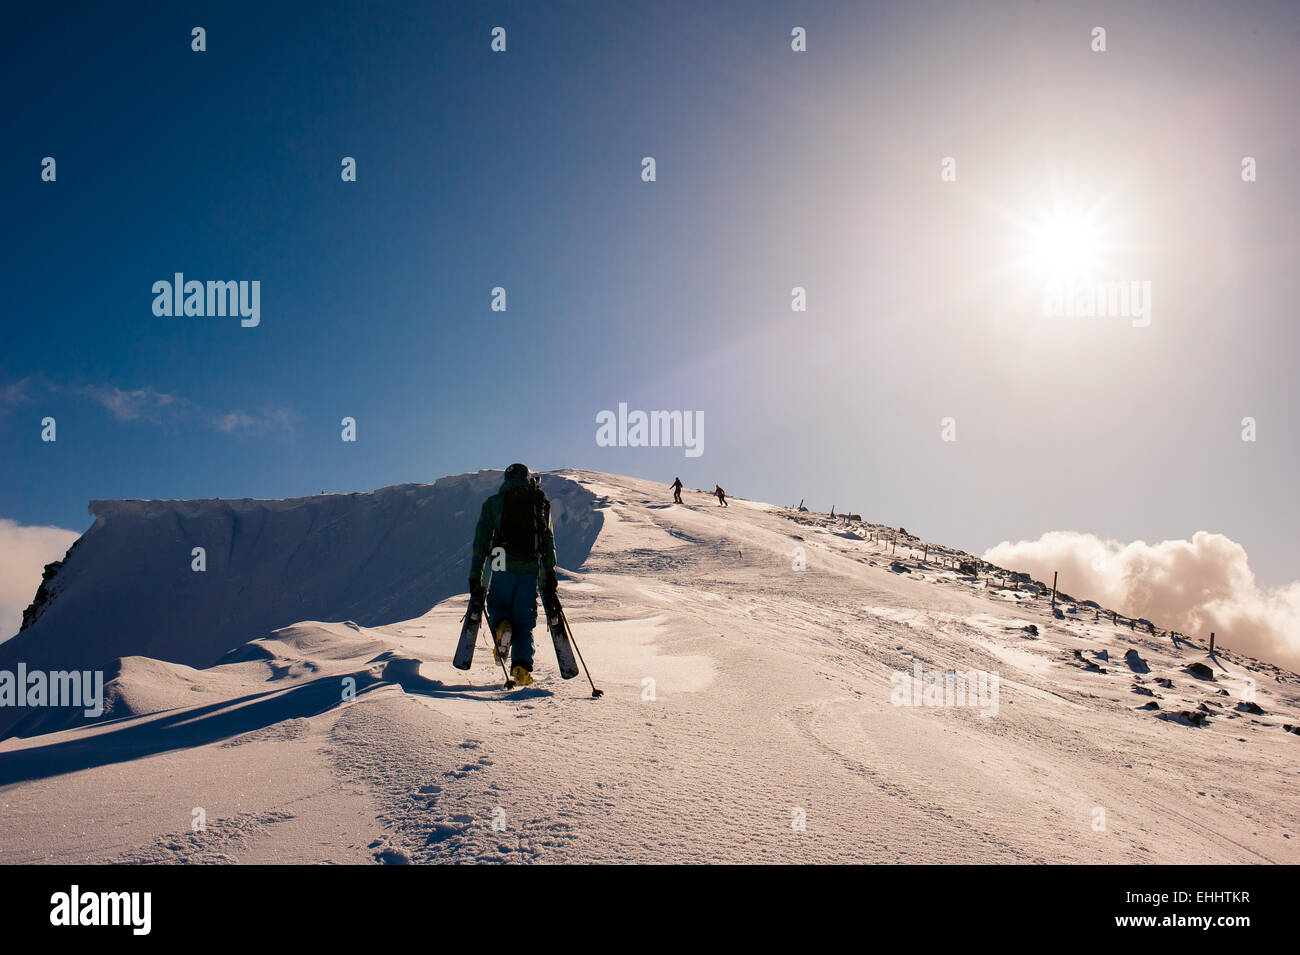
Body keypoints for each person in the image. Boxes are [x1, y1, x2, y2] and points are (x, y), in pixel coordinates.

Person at [468, 463, 558, 687]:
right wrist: (549, 574)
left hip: (500, 559)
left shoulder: (494, 503)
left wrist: (476, 575)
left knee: (498, 602)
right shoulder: (539, 504)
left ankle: (501, 628)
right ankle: (521, 669)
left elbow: (481, 541)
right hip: (530, 564)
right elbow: (548, 542)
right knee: (524, 621)